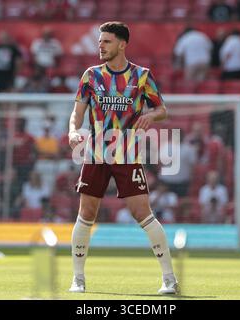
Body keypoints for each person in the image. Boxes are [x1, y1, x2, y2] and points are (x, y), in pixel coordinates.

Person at [67, 22, 178, 295]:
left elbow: (162, 109)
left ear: (121, 44)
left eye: (106, 41)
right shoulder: (91, 76)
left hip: (127, 151)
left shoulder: (141, 76)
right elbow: (77, 112)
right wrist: (72, 130)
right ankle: (78, 279)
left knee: (143, 213)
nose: (100, 46)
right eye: (100, 41)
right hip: (95, 151)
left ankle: (169, 278)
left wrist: (150, 115)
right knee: (86, 214)